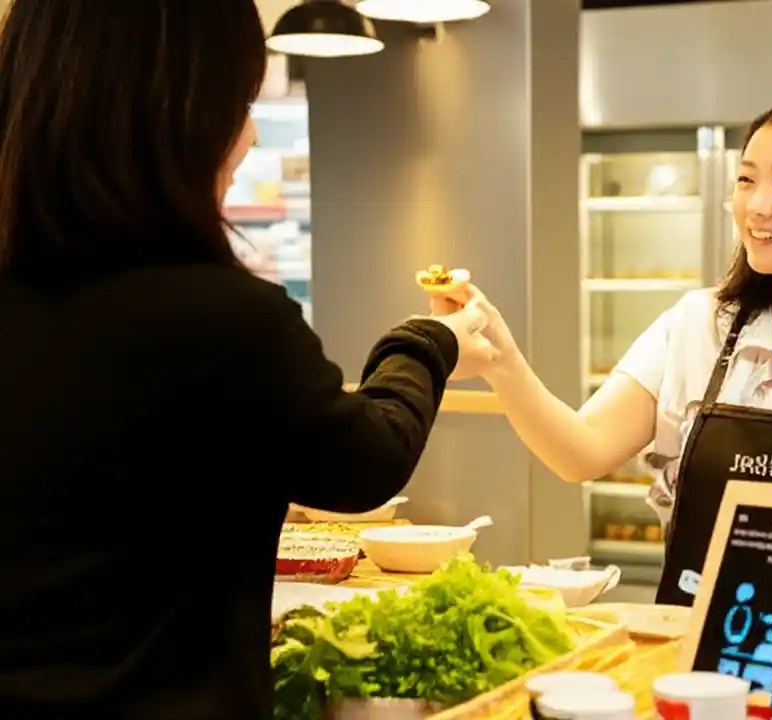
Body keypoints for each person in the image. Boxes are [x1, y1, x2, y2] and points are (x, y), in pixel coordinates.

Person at [0, 1, 493, 718]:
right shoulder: (219, 320)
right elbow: (367, 457)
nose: (249, 135)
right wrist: (429, 341)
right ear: (172, 116)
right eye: (236, 102)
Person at [439, 94, 772, 600]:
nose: (757, 206)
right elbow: (579, 452)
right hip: (682, 647)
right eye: (746, 180)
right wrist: (502, 362)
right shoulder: (697, 324)